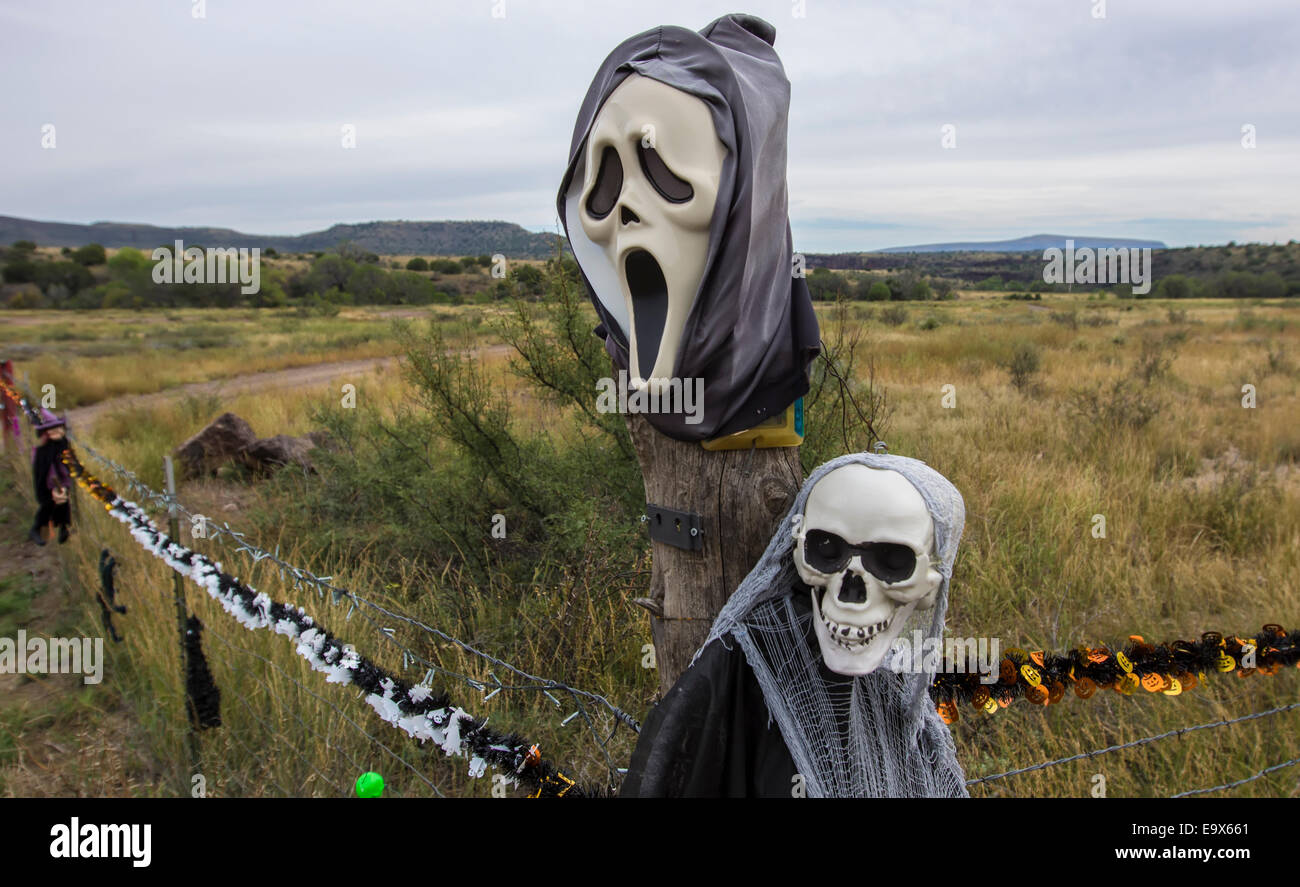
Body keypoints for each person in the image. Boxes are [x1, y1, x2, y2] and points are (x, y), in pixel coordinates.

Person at [30, 411, 73, 546]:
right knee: (48, 504)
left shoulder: (62, 445)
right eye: (53, 429)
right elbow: (48, 468)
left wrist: (63, 482)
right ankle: (37, 528)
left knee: (63, 502)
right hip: (49, 482)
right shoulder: (44, 451)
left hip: (61, 479)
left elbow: (62, 464)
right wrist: (53, 483)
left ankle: (63, 527)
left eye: (58, 428)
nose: (57, 431)